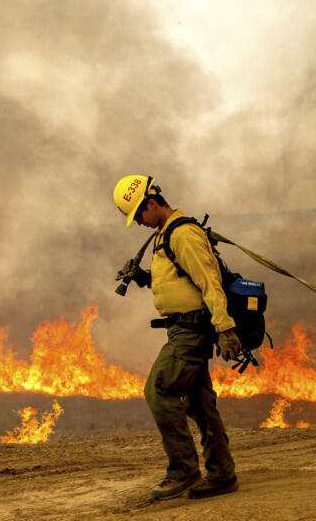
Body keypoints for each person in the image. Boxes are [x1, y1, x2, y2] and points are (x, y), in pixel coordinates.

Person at [113, 174, 242, 500]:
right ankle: (222, 474)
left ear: (152, 203)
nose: (139, 222)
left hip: (190, 330)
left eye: (140, 215)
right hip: (183, 327)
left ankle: (183, 469)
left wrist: (226, 328)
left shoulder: (182, 234)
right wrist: (143, 277)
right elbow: (177, 282)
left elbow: (209, 282)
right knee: (201, 405)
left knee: (159, 389)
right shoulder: (165, 235)